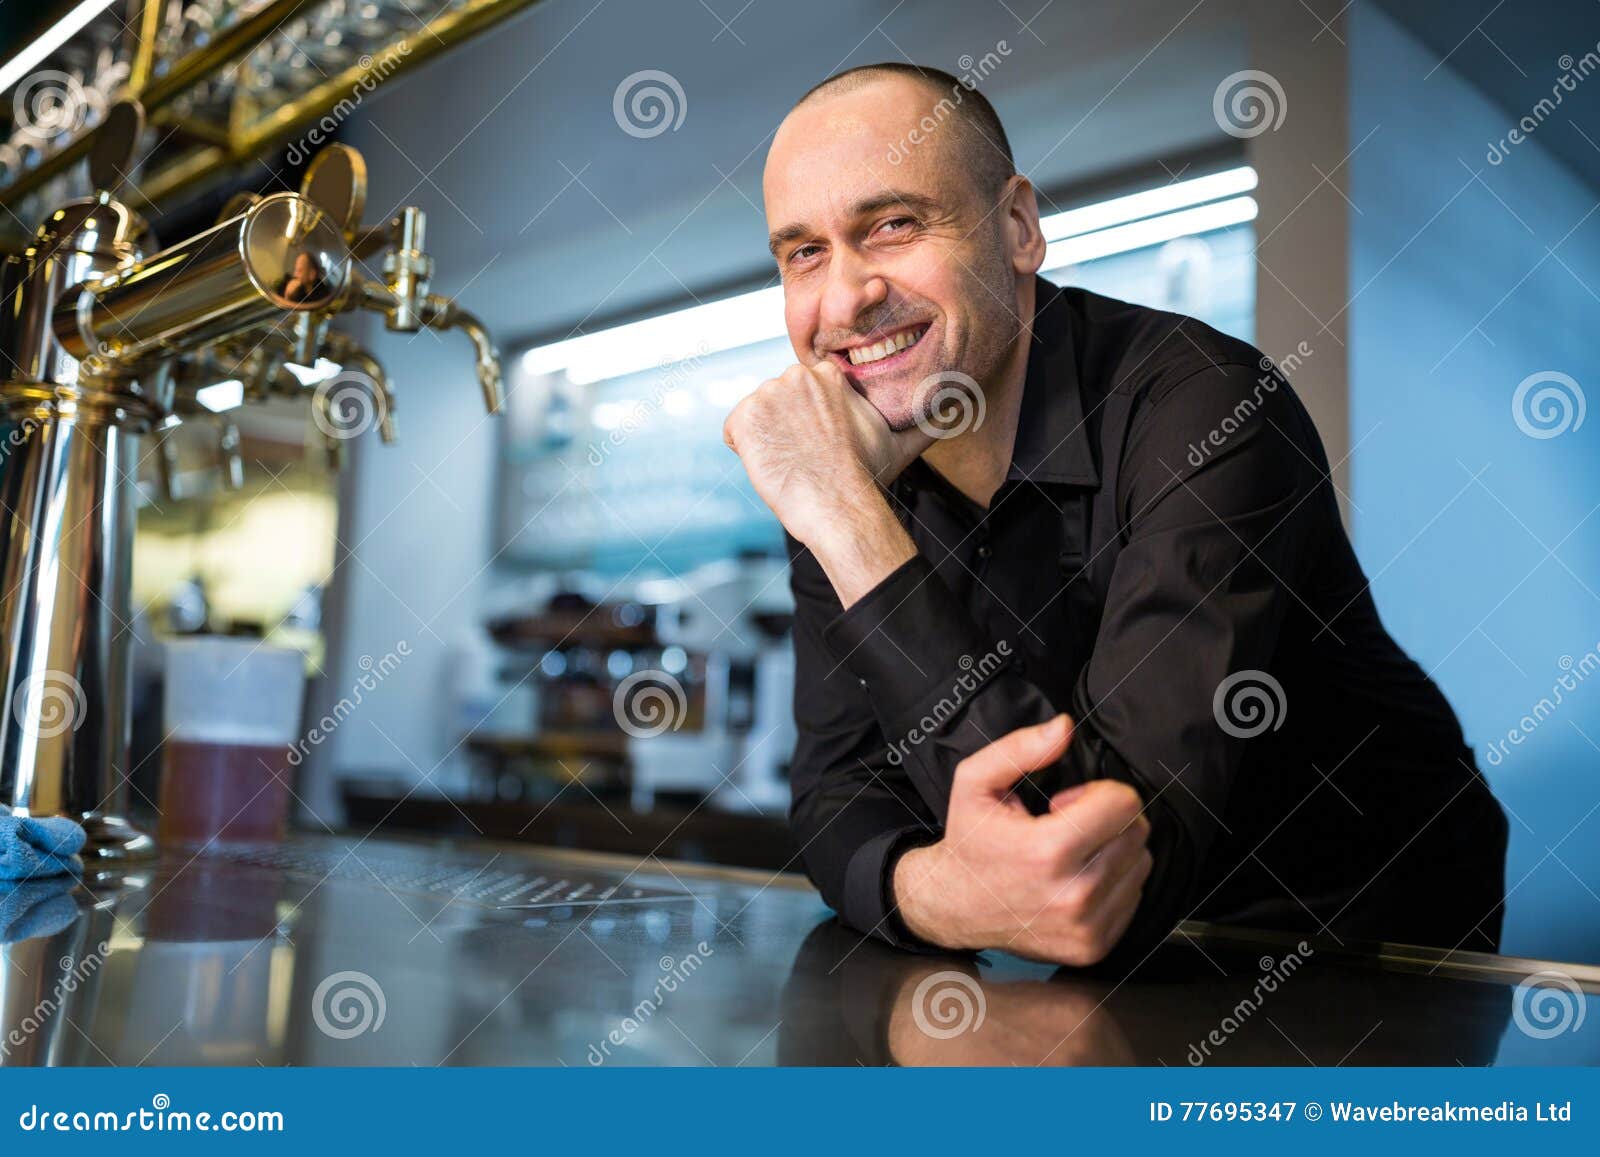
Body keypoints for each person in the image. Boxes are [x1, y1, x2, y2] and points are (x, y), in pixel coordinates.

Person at [722, 62, 1507, 970]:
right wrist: (933, 892)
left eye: (894, 224)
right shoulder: (847, 461)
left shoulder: (1211, 406)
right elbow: (837, 791)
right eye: (803, 253)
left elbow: (1109, 875)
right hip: (1099, 964)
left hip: (1362, 940)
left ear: (1018, 227)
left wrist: (849, 523)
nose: (845, 297)